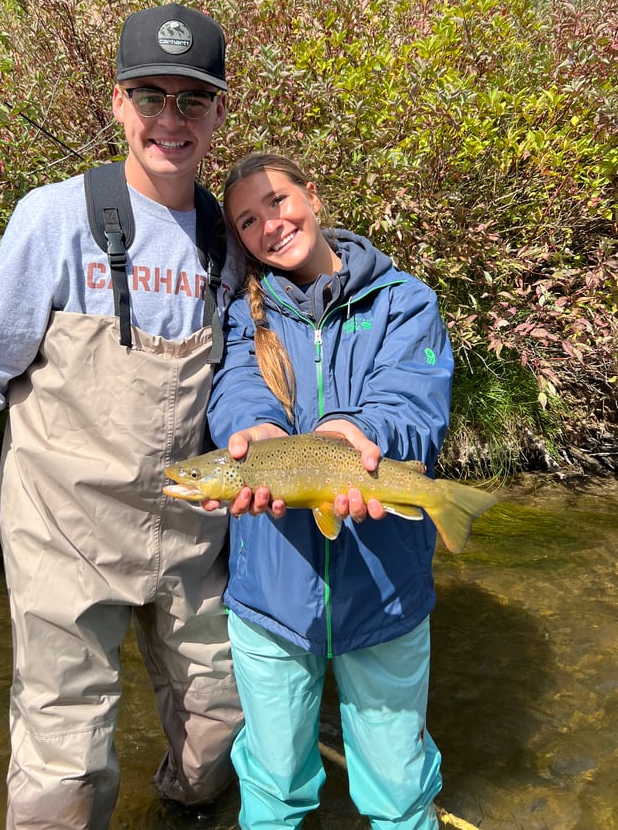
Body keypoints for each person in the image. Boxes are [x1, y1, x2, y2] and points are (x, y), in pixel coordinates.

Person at [0, 3, 246, 830]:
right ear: (117, 103)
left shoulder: (231, 239)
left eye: (193, 99)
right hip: (63, 533)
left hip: (191, 534)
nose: (170, 120)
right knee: (64, 757)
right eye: (150, 96)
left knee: (220, 721)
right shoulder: (53, 217)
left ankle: (184, 813)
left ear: (220, 112)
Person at [205, 152, 455, 830]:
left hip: (386, 589)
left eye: (279, 201)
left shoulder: (406, 300)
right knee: (274, 786)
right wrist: (249, 429)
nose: (270, 224)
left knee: (400, 790)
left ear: (312, 196)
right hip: (272, 595)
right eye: (248, 221)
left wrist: (358, 428)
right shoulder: (240, 316)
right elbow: (237, 391)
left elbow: (415, 402)